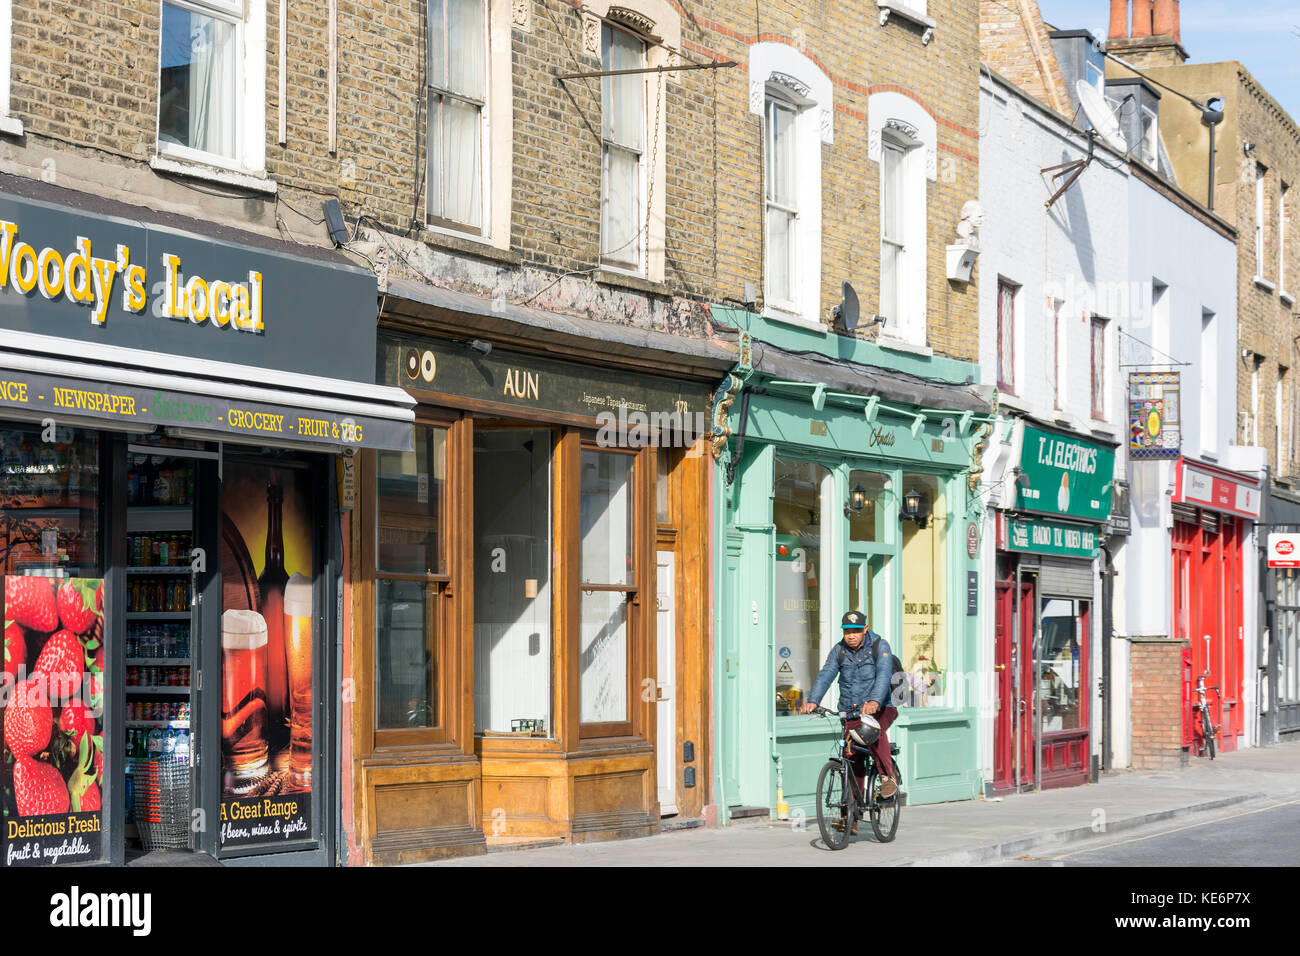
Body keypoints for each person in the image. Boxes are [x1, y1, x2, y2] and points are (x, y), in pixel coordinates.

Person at [802, 610, 899, 806]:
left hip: (882, 706)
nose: (851, 636)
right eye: (847, 632)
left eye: (855, 631)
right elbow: (826, 674)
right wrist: (813, 700)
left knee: (871, 730)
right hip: (852, 709)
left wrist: (874, 701)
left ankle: (888, 778)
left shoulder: (880, 646)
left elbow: (883, 675)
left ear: (865, 629)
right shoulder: (839, 650)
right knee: (851, 756)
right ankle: (850, 816)